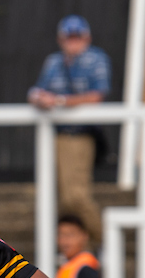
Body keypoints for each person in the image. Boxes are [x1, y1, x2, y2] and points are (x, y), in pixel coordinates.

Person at [28, 15, 112, 239]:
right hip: (55, 135)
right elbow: (36, 91)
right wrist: (40, 99)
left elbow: (96, 97)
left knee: (75, 197)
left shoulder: (96, 59)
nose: (73, 41)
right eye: (69, 37)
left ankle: (106, 240)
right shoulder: (54, 62)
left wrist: (59, 101)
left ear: (87, 38)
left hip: (79, 135)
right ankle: (76, 248)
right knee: (59, 198)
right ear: (60, 39)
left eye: (78, 37)